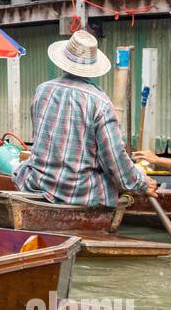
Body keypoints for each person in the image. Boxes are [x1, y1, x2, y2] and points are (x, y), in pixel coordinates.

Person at [14, 30, 157, 206]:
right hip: (77, 192)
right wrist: (141, 182)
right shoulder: (100, 102)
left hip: (36, 182)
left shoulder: (42, 90)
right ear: (92, 67)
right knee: (117, 180)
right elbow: (115, 160)